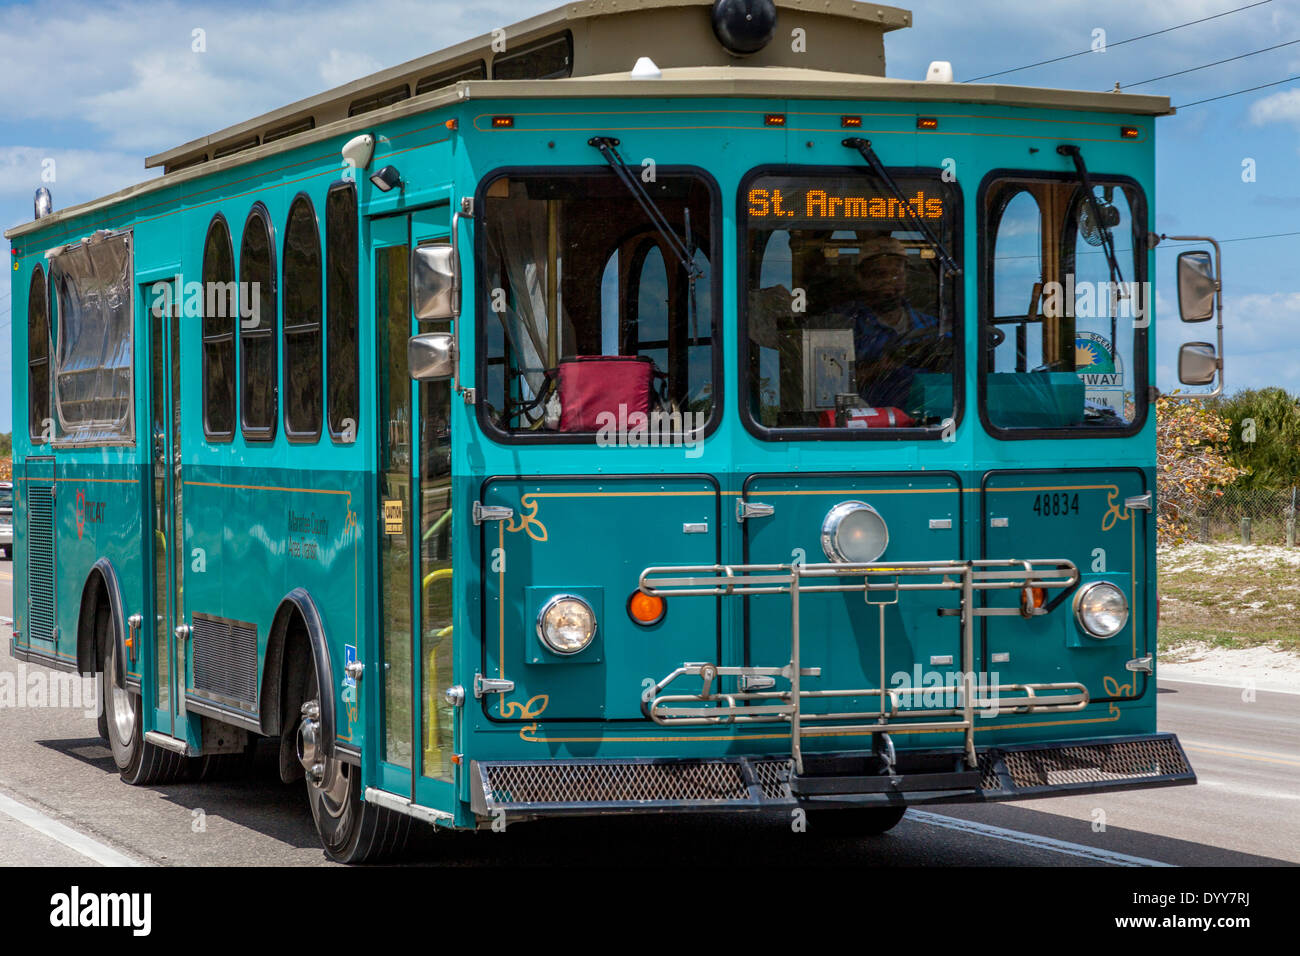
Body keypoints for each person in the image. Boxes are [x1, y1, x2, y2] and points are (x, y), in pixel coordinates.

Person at [846, 235, 950, 410]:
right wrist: (881, 367)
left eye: (896, 273)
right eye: (879, 274)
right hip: (868, 426)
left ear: (906, 276)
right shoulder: (845, 325)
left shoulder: (932, 327)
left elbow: (958, 365)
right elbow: (831, 381)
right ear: (861, 278)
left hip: (930, 426)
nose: (889, 280)